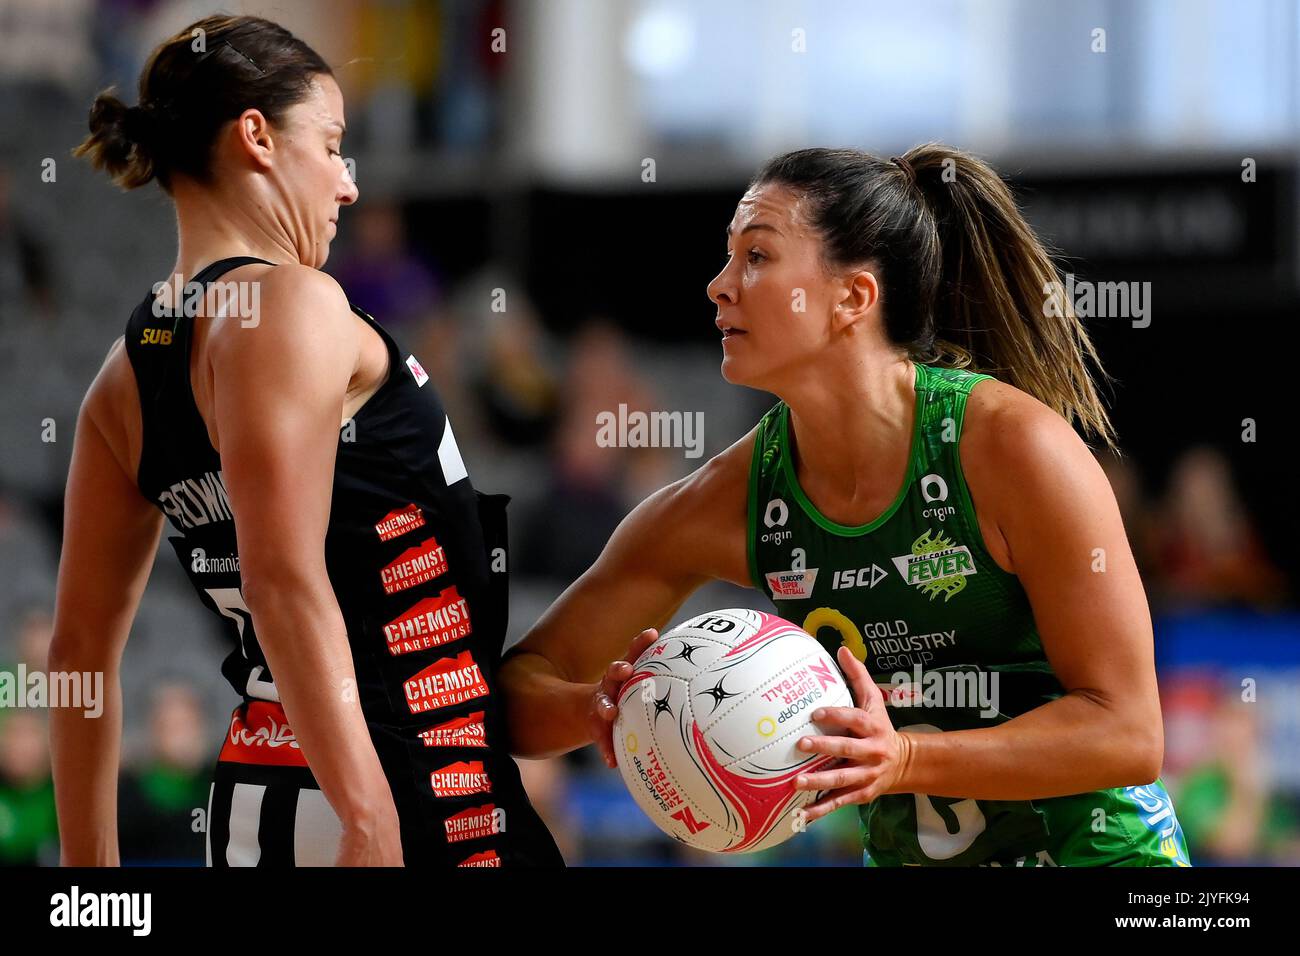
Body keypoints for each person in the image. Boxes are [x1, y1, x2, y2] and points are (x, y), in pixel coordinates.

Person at [501, 145, 1191, 866]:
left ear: (853, 298)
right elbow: (518, 693)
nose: (718, 286)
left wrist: (906, 759)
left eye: (757, 257)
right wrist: (603, 709)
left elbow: (1129, 735)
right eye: (728, 257)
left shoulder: (1012, 449)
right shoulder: (726, 501)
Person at [49, 14, 561, 868]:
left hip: (259, 805)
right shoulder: (291, 304)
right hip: (402, 793)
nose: (348, 185)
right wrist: (369, 819)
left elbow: (78, 655)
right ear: (256, 137)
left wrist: (88, 877)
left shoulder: (122, 376)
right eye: (331, 145)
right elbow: (281, 575)